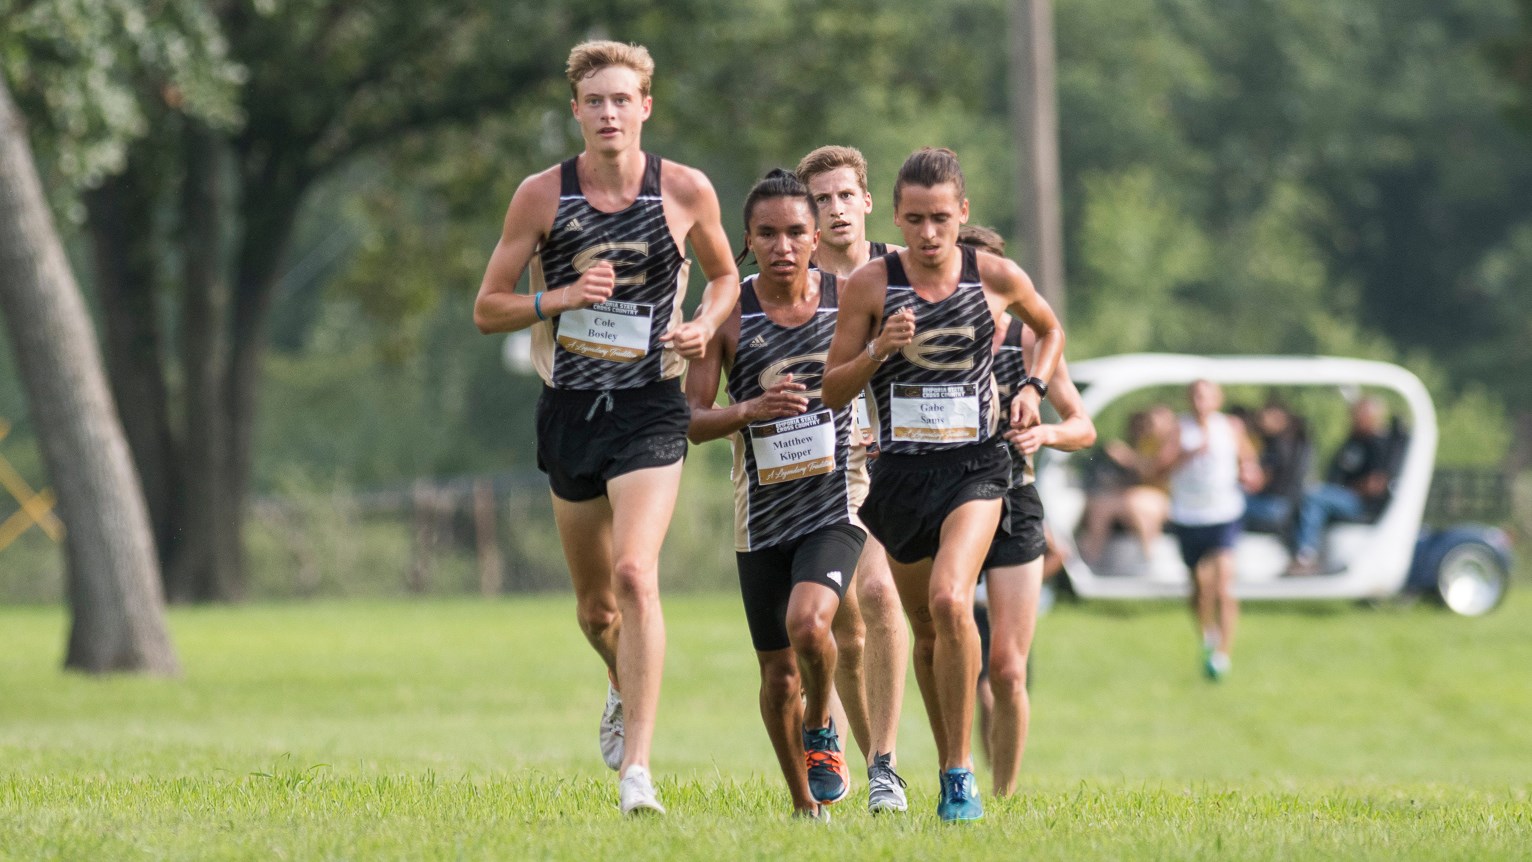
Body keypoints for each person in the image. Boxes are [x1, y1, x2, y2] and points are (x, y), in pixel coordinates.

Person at [473, 40, 740, 815]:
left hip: (650, 405)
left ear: (645, 107)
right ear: (577, 112)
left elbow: (726, 276)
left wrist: (704, 324)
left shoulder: (685, 189)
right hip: (571, 408)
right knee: (597, 610)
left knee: (635, 574)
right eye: (595, 101)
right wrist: (558, 299)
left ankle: (638, 772)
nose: (609, 113)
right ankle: (622, 684)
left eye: (622, 99)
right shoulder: (541, 196)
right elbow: (487, 308)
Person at [822, 147, 1064, 822]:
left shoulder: (995, 276)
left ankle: (961, 774)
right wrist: (879, 348)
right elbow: (832, 387)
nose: (928, 233)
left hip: (976, 469)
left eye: (940, 218)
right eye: (915, 220)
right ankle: (945, 761)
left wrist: (1033, 388)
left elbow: (1049, 330)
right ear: (896, 219)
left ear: (962, 213)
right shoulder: (871, 285)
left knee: (952, 599)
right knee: (926, 633)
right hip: (901, 475)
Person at [684, 169, 865, 821]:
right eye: (767, 233)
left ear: (816, 238)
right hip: (760, 514)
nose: (782, 246)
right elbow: (691, 419)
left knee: (810, 624)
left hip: (836, 501)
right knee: (778, 673)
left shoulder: (849, 300)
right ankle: (802, 806)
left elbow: (889, 374)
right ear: (748, 239)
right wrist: (749, 410)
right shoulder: (727, 313)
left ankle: (821, 727)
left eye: (794, 232)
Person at [957, 225, 1095, 797]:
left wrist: (1046, 434)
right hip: (947, 502)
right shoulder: (930, 338)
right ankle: (956, 773)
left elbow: (1083, 428)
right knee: (956, 661)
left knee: (1008, 670)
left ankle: (1005, 795)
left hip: (1015, 500)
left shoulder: (1031, 343)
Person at [795, 145, 909, 813]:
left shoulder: (904, 272)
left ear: (867, 201)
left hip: (896, 461)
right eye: (821, 199)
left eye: (845, 195)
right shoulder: (792, 282)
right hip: (815, 466)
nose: (835, 209)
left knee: (879, 594)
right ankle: (871, 765)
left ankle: (885, 765)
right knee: (848, 632)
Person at [1165, 380, 1259, 681]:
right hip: (1189, 516)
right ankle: (1207, 633)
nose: (1200, 401)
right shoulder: (1179, 429)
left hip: (1224, 513)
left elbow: (1248, 458)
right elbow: (1157, 468)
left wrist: (1250, 472)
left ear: (1218, 399)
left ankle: (1223, 655)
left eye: (1205, 396)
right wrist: (1187, 455)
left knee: (1224, 586)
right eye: (1195, 395)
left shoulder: (1230, 427)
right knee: (1199, 589)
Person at [1289, 396, 1393, 575]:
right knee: (1307, 494)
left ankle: (1305, 556)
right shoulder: (1354, 441)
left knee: (1314, 498)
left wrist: (1344, 489)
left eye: (1360, 414)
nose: (1354, 417)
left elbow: (1375, 484)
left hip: (1361, 503)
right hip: (1341, 495)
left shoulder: (1380, 444)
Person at [1078, 405, 1176, 567]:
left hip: (1167, 501)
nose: (1151, 423)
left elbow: (1155, 471)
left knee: (1134, 503)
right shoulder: (1146, 443)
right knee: (1101, 504)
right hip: (1141, 495)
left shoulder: (1173, 445)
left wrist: (1127, 458)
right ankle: (1090, 559)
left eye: (1157, 419)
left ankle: (1148, 559)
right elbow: (1138, 477)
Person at [1242, 400, 1311, 534]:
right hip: (1290, 507)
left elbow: (1259, 482)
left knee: (1229, 505)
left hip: (1274, 507)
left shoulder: (1277, 446)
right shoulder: (1297, 443)